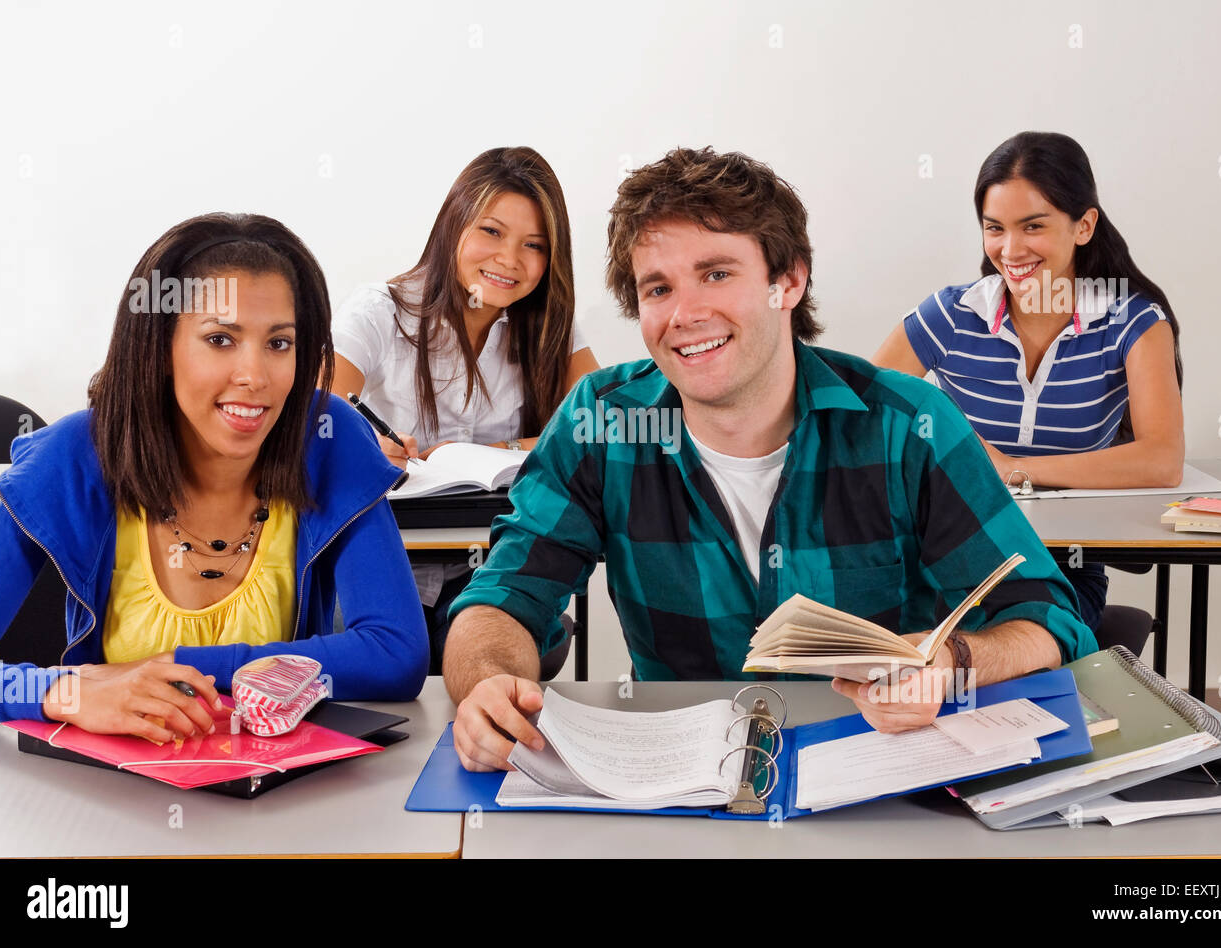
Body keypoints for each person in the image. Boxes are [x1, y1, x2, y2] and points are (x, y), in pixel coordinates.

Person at [442, 146, 1098, 772]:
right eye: (658, 288)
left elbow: (1047, 617)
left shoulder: (908, 426)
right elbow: (499, 601)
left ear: (789, 281)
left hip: (881, 782)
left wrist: (951, 662)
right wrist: (489, 685)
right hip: (686, 789)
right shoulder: (602, 421)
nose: (687, 313)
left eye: (717, 274)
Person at [0, 213, 428, 739]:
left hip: (277, 796)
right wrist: (72, 690)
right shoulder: (75, 456)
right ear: (159, 347)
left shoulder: (329, 440)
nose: (255, 377)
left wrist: (174, 664)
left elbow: (396, 652)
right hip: (113, 797)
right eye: (220, 340)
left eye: (279, 343)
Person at [872, 131, 1185, 635]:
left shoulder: (1134, 323)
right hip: (943, 567)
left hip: (1061, 570)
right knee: (910, 663)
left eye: (1032, 226)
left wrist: (1013, 469)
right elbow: (864, 417)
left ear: (1084, 226)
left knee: (992, 662)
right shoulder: (949, 316)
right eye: (994, 228)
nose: (1010, 248)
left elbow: (1162, 459)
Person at [327, 146, 598, 672]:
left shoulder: (549, 326)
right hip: (382, 574)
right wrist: (363, 442)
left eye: (533, 245)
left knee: (537, 646)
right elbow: (315, 411)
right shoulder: (383, 310)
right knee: (373, 661)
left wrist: (499, 450)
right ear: (454, 225)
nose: (509, 260)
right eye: (491, 232)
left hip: (494, 573)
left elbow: (596, 429)